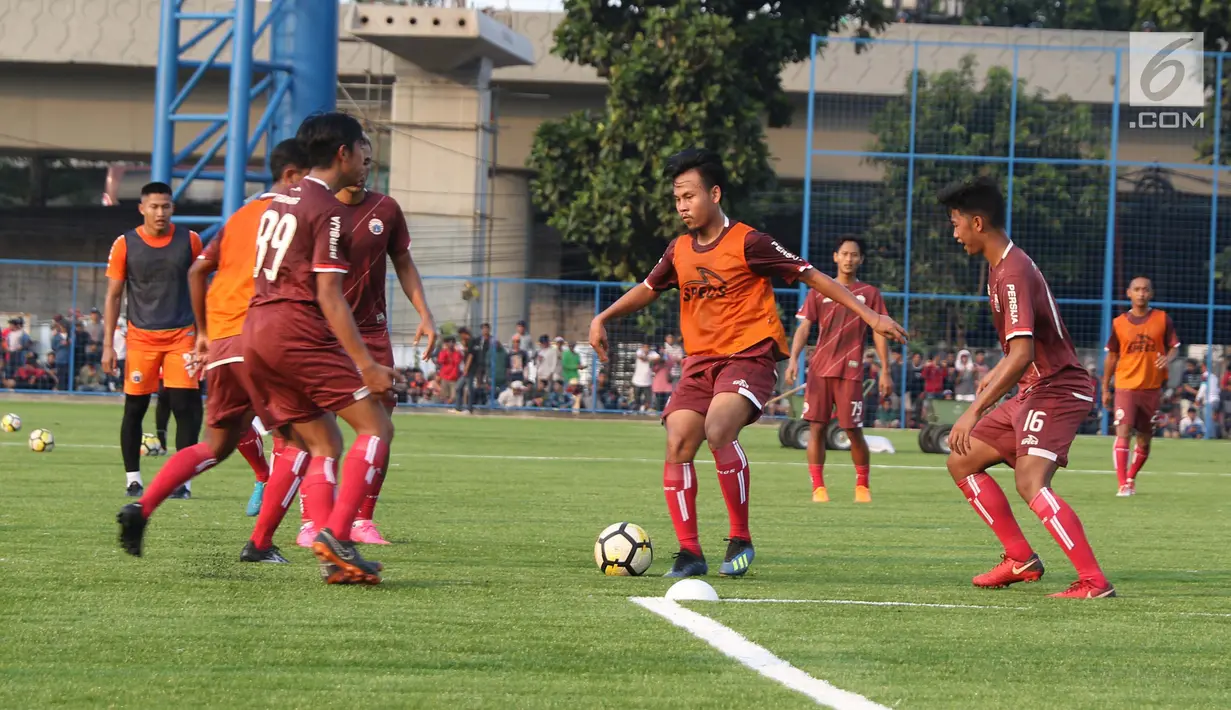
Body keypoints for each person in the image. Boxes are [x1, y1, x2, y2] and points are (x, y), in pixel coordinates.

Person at [588, 148, 906, 579]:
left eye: (689, 196)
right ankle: (689, 553)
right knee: (679, 439)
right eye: (677, 199)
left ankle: (740, 537)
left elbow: (811, 274)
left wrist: (870, 315)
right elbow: (648, 287)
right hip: (701, 363)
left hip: (749, 356)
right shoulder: (678, 250)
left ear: (714, 194)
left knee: (718, 428)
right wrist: (604, 317)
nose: (682, 206)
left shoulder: (749, 241)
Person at [114, 139, 311, 562]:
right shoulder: (299, 213)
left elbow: (200, 268)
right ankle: (264, 542)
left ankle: (141, 506)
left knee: (214, 445)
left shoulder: (241, 216)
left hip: (221, 339)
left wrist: (204, 333)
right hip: (265, 337)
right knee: (303, 442)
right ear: (294, 175)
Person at [240, 112, 399, 585]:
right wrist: (366, 364)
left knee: (319, 442)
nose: (366, 160)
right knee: (376, 428)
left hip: (257, 328)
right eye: (361, 151)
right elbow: (330, 294)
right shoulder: (327, 209)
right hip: (295, 331)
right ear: (342, 154)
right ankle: (339, 535)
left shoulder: (278, 200)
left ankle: (263, 541)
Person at [940, 176, 1114, 599]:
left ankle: (1094, 581)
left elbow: (1022, 354)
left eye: (956, 223)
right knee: (962, 462)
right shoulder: (1001, 266)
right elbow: (1018, 355)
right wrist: (997, 375)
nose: (955, 232)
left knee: (1030, 480)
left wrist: (973, 408)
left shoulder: (1012, 272)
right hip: (1033, 391)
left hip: (1057, 388)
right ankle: (1019, 558)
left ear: (977, 222)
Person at [293, 144, 437, 547]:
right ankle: (311, 519)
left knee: (380, 427)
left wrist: (425, 313)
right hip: (322, 333)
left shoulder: (386, 209)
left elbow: (404, 262)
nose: (364, 169)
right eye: (360, 159)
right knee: (316, 427)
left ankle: (362, 518)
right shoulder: (315, 208)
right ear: (342, 158)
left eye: (371, 162)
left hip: (371, 334)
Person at [101, 182, 204, 497]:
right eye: (155, 206)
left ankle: (181, 481)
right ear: (142, 208)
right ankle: (133, 478)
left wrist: (206, 335)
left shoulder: (191, 241)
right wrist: (108, 345)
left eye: (167, 206)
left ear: (172, 208)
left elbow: (203, 289)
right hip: (140, 339)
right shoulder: (125, 244)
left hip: (182, 336)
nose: (161, 212)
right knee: (135, 408)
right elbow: (114, 295)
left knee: (184, 407)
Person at [784, 235, 892, 504]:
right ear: (835, 257)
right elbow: (804, 328)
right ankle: (818, 488)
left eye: (854, 255)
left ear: (861, 260)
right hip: (819, 371)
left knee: (853, 430)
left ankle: (862, 486)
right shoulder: (819, 290)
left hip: (851, 371)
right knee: (817, 428)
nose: (849, 259)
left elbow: (879, 333)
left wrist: (886, 370)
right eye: (844, 254)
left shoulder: (869, 294)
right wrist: (793, 359)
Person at [1102, 276, 1179, 497]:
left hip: (1151, 387)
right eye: (1137, 289)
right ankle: (1122, 484)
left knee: (1145, 440)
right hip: (1125, 385)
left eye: (1145, 290)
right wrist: (1105, 387)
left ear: (1151, 294)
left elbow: (1174, 347)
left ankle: (1131, 477)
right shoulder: (1119, 323)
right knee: (1123, 431)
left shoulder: (1162, 319)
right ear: (1129, 293)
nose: (1141, 293)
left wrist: (1169, 358)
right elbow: (1112, 357)